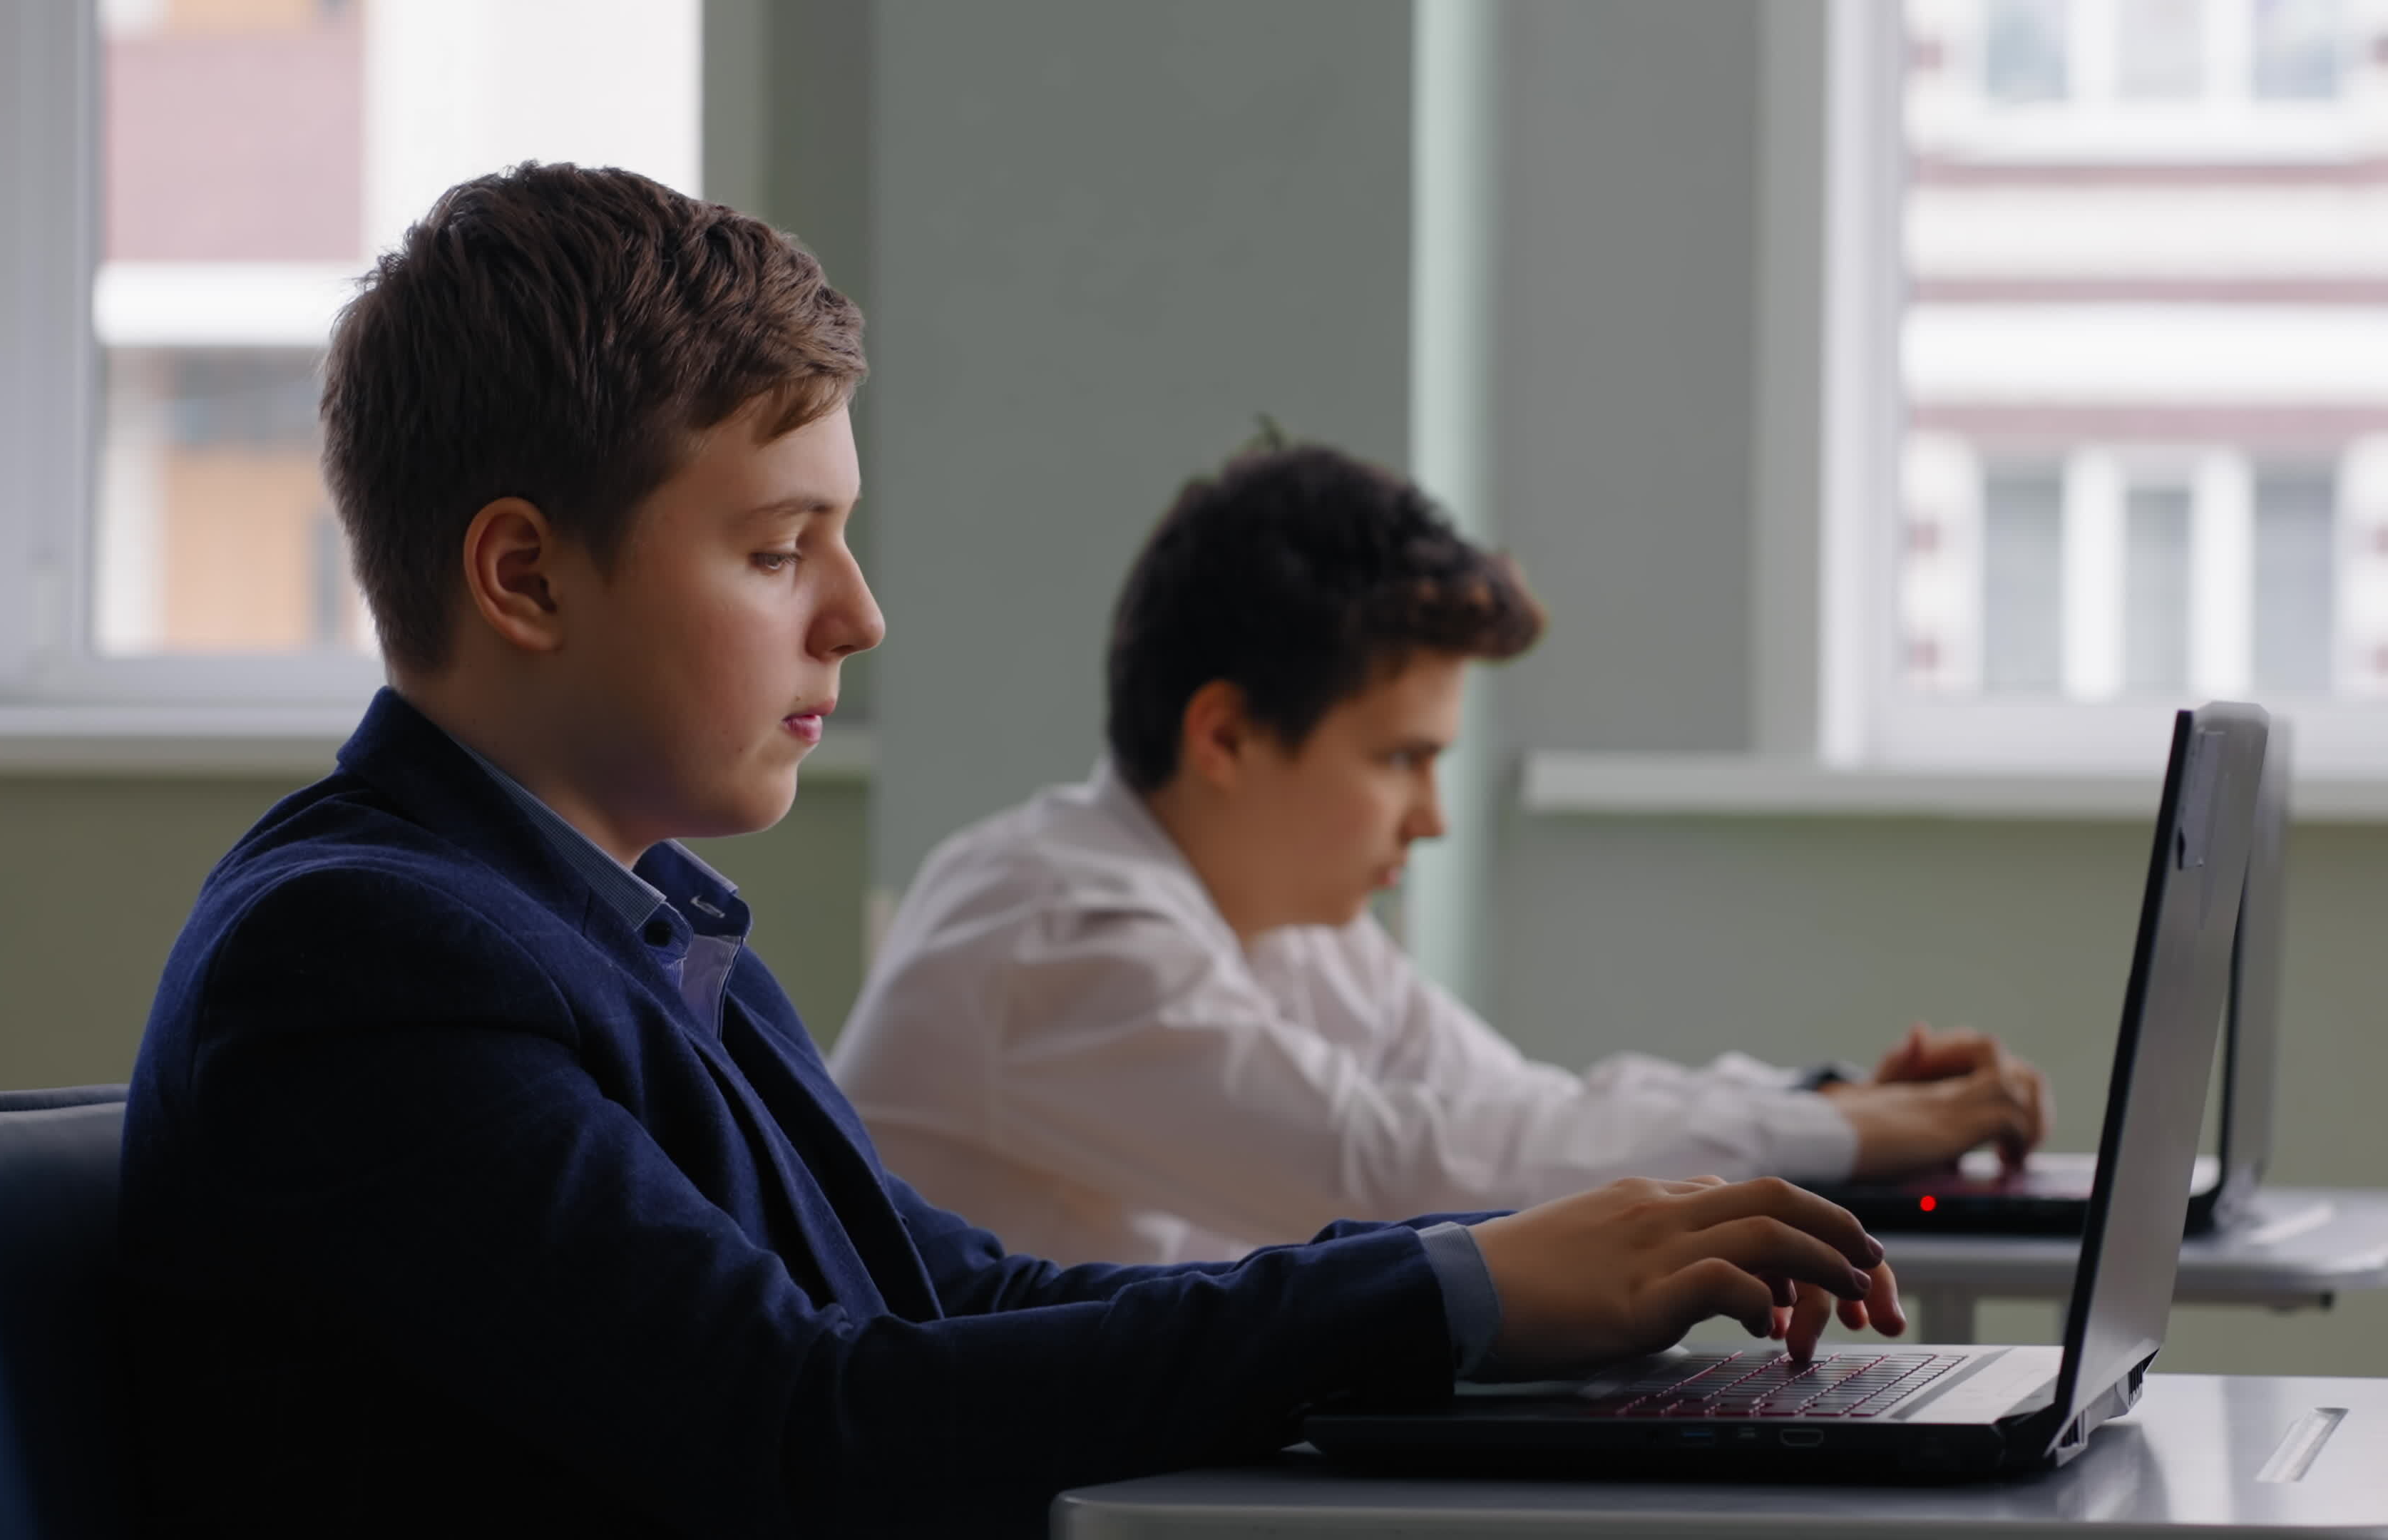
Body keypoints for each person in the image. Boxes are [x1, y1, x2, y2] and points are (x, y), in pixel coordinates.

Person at [117, 164, 1905, 1539]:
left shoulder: (629, 917)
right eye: (775, 550)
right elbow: (800, 1425)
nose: (859, 616)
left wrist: (1481, 1291)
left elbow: (956, 1293)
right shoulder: (365, 962)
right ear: (522, 577)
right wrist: (1447, 1287)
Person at [831, 443, 2056, 1267]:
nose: (1432, 820)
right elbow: (1399, 1177)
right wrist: (1851, 1142)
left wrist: (1833, 1105)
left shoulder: (1274, 923)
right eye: (1400, 760)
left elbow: (1518, 1117)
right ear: (1226, 735)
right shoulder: (1053, 930)